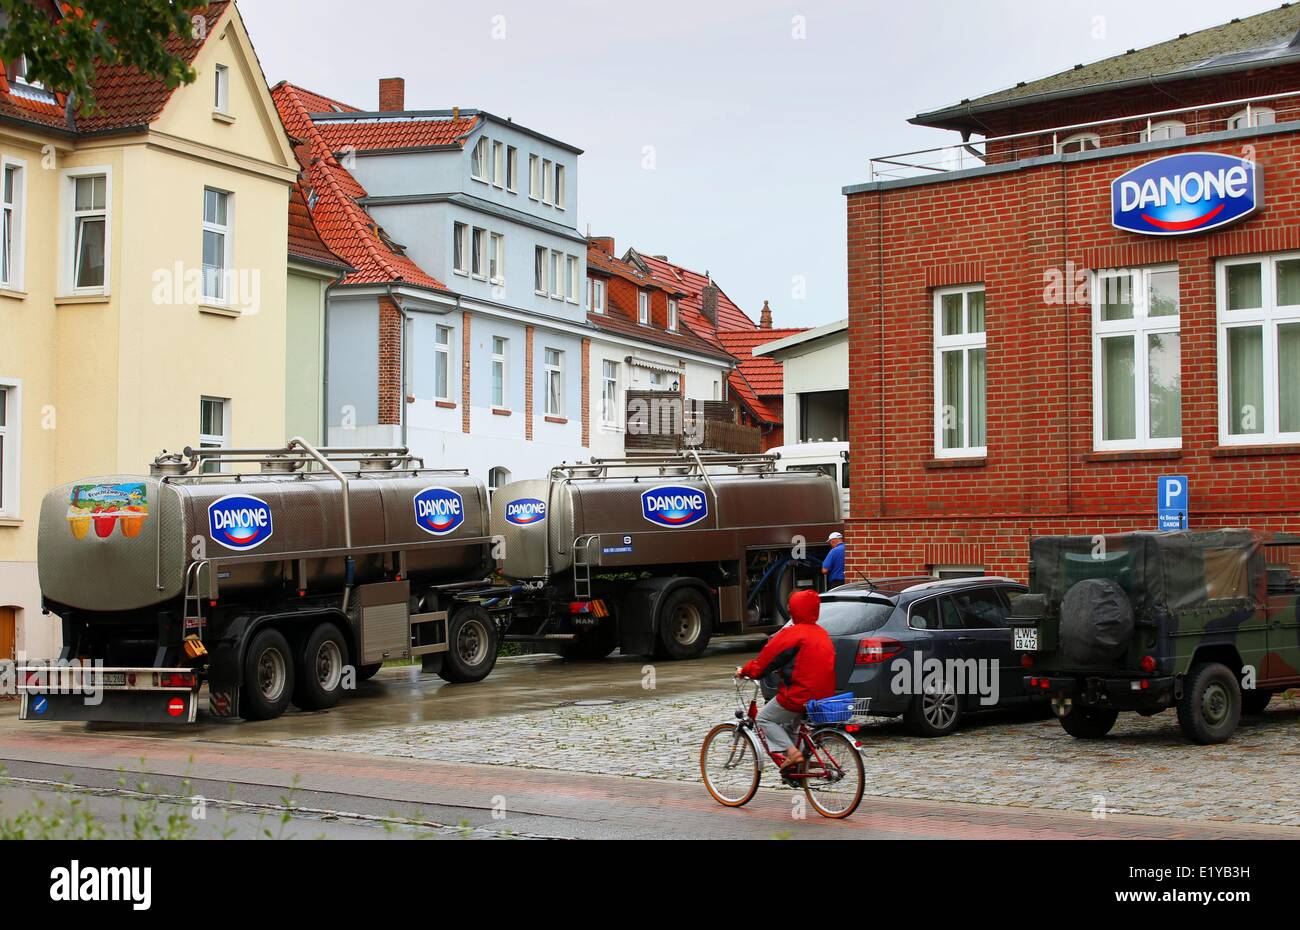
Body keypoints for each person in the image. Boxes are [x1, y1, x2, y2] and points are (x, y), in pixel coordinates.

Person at [735, 589, 836, 770]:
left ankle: (793, 753)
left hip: (799, 694)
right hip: (823, 695)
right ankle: (798, 764)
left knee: (764, 719)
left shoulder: (792, 634)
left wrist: (745, 671)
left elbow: (765, 662)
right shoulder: (822, 633)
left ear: (794, 610)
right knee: (790, 726)